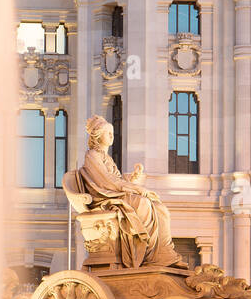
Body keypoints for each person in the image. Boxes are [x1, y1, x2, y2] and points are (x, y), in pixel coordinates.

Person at [72, 115, 185, 268]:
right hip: (105, 198)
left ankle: (162, 252)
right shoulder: (92, 156)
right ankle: (146, 254)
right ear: (98, 136)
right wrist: (138, 189)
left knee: (160, 209)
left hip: (115, 193)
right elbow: (107, 182)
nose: (112, 137)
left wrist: (132, 179)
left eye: (112, 133)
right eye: (108, 133)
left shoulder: (107, 158)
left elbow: (117, 180)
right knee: (143, 203)